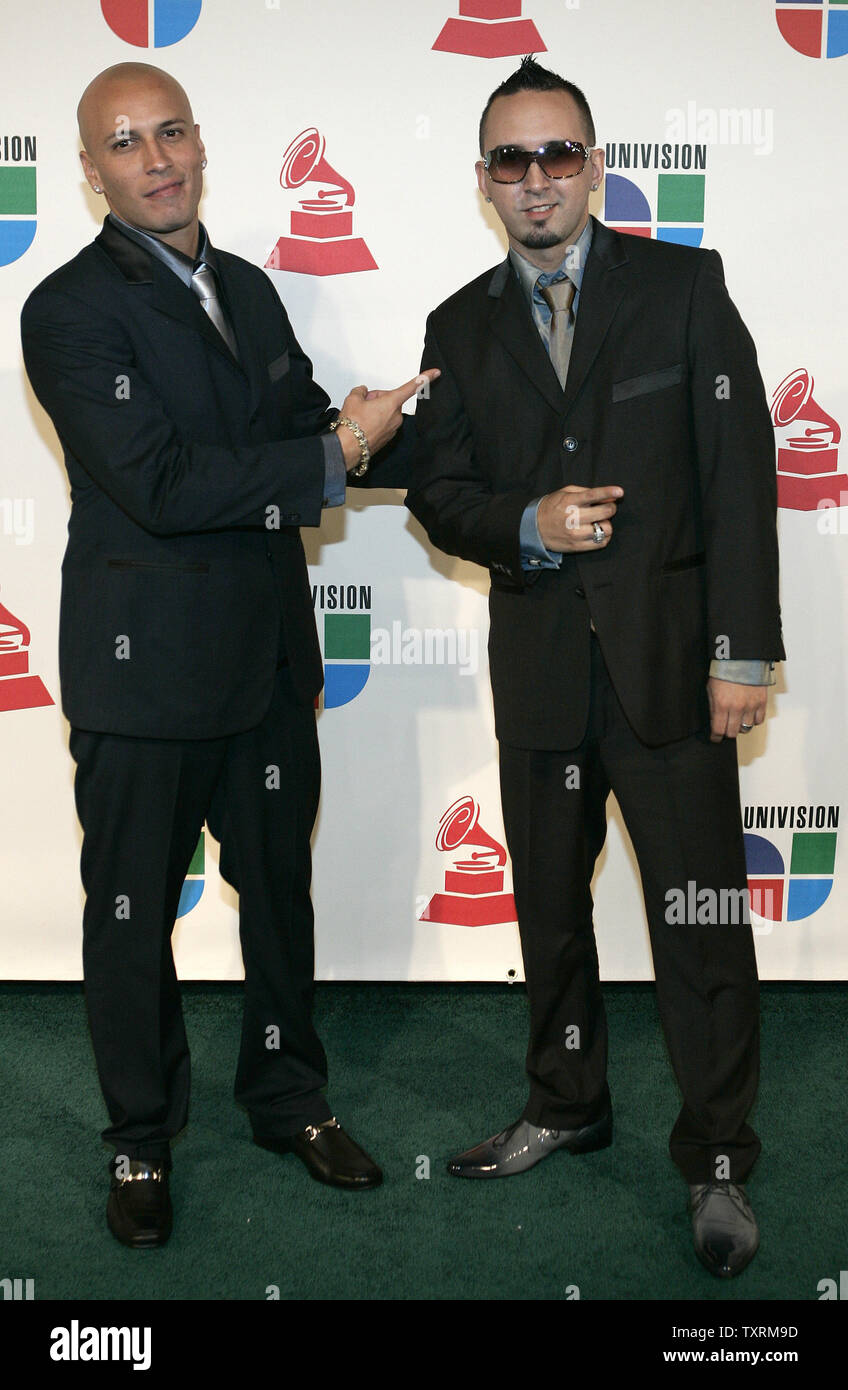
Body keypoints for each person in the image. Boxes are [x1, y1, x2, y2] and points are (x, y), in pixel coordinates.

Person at [20, 61, 437, 1249]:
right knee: (129, 911)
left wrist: (395, 433)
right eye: (123, 143)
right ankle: (140, 1141)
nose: (154, 159)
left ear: (200, 142)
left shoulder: (250, 290)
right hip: (142, 671)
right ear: (90, 170)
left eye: (169, 133)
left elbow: (302, 431)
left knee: (278, 902)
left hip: (261, 665)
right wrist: (328, 451)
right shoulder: (65, 310)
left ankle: (287, 1100)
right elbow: (156, 483)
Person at [406, 57, 783, 1279]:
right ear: (482, 182)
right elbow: (441, 495)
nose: (536, 180)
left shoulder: (682, 287)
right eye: (510, 161)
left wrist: (739, 653)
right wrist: (525, 521)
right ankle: (566, 1103)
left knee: (699, 925)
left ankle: (716, 1157)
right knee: (550, 918)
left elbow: (737, 477)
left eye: (556, 154)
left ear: (594, 163)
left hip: (675, 674)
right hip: (541, 682)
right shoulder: (455, 326)